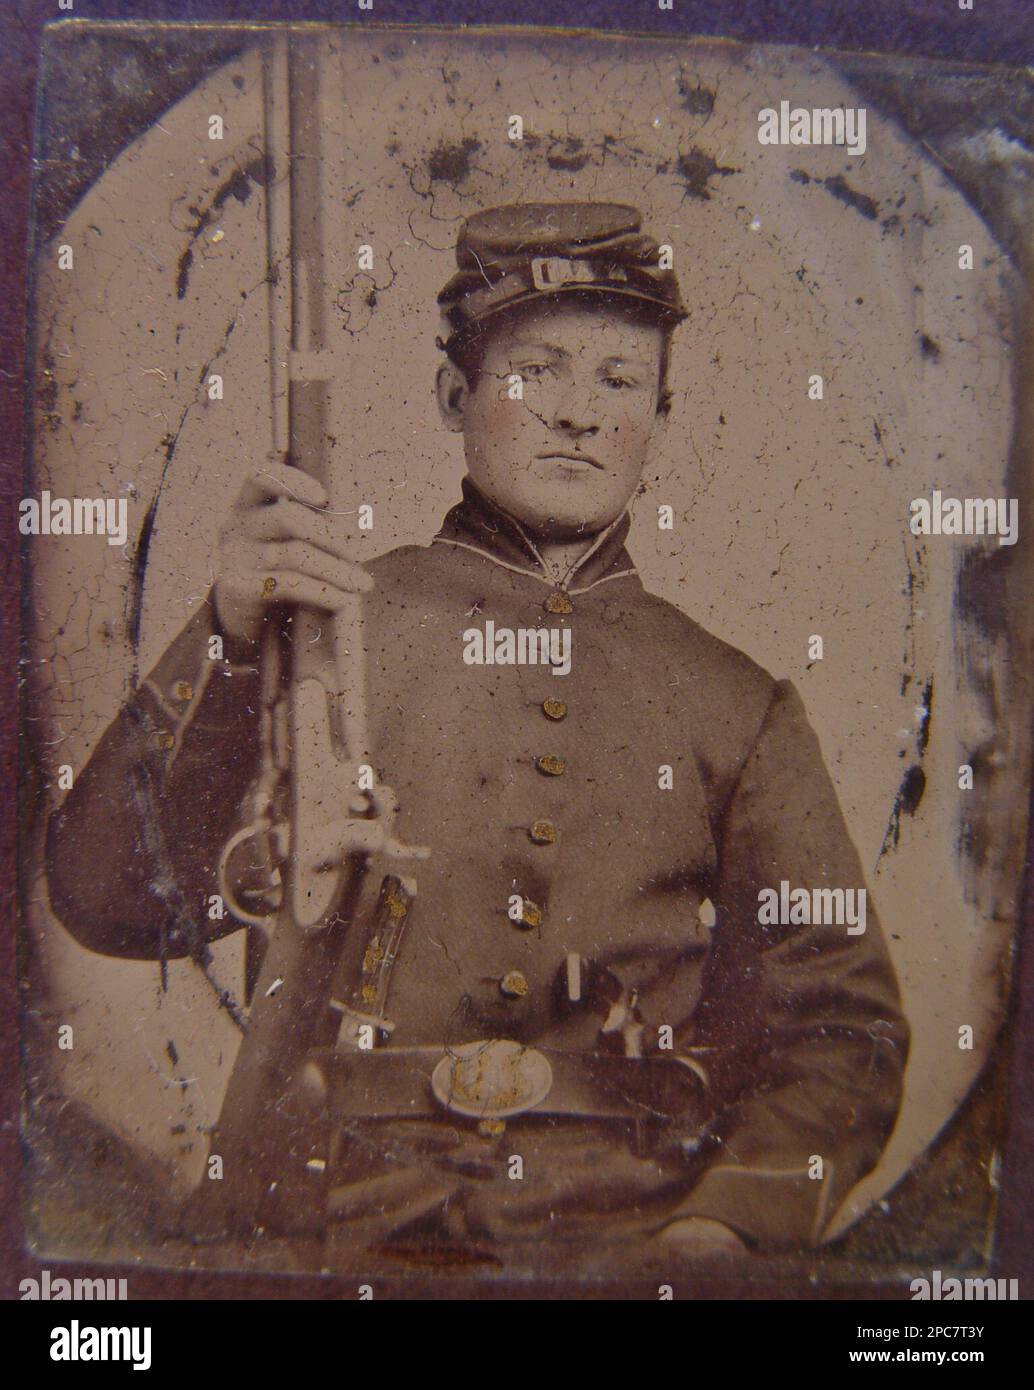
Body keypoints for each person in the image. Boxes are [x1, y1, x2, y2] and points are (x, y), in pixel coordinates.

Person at [46, 202, 908, 1263]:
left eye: (617, 382)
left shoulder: (734, 703)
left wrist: (723, 1224)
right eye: (536, 371)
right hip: (317, 1226)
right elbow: (114, 900)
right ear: (455, 396)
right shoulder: (325, 624)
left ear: (659, 416)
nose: (577, 415)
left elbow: (840, 1027)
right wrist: (224, 633)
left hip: (623, 1243)